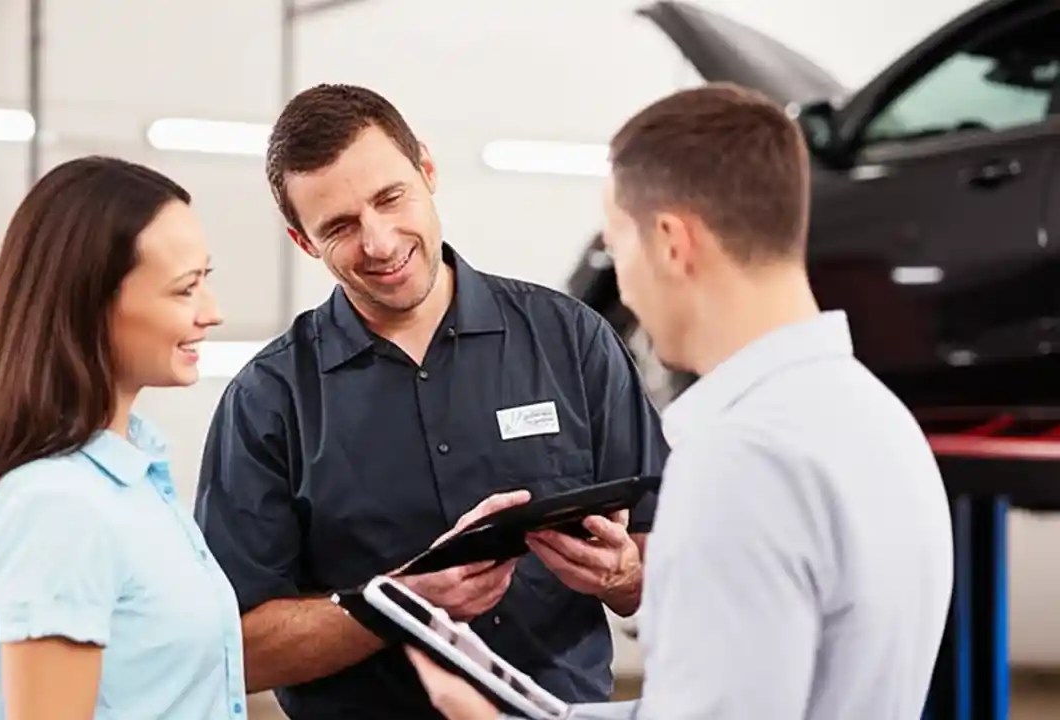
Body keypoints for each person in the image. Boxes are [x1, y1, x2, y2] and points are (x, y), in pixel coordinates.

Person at [406, 82, 955, 719]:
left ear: (671, 242)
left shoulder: (740, 462)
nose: (623, 287)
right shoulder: (876, 418)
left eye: (617, 246)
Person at [195, 83, 667, 719]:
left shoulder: (572, 341)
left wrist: (627, 576)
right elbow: (238, 646)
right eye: (339, 227)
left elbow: (673, 558)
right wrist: (398, 604)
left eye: (390, 198)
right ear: (303, 241)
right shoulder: (268, 401)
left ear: (427, 169)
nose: (380, 243)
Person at [0, 156, 248, 720]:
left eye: (207, 279)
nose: (213, 312)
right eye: (185, 289)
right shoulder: (57, 506)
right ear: (91, 302)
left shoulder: (133, 480)